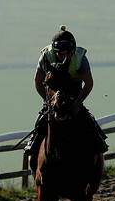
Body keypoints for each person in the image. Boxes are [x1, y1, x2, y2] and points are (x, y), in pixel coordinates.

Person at [24, 26, 108, 168]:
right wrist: (47, 101)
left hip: (74, 96)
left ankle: (99, 147)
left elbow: (88, 83)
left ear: (72, 50)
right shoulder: (46, 56)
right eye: (60, 54)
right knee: (40, 124)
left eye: (67, 53)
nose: (63, 56)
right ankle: (32, 147)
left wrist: (77, 104)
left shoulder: (80, 57)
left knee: (89, 123)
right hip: (53, 97)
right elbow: (37, 82)